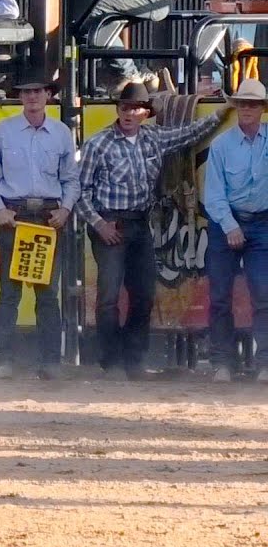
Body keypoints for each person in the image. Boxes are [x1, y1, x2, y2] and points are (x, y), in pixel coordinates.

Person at [75, 81, 231, 380]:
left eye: (135, 108)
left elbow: (190, 133)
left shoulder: (154, 139)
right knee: (108, 296)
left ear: (145, 112)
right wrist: (98, 223)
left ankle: (132, 360)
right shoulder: (98, 143)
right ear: (118, 110)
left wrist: (221, 112)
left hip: (140, 223)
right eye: (124, 108)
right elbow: (80, 191)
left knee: (143, 293)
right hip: (110, 222)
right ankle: (112, 362)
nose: (129, 113)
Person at [0, 74, 79, 380]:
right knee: (9, 292)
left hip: (49, 217)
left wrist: (64, 209)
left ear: (48, 95)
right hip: (15, 215)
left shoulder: (62, 134)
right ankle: (3, 359)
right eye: (27, 91)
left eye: (37, 91)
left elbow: (71, 180)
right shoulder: (3, 131)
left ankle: (50, 361)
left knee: (47, 293)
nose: (32, 96)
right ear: (20, 97)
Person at [203, 78, 268, 384]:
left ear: (261, 109)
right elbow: (213, 194)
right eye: (242, 103)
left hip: (262, 222)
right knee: (219, 296)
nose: (246, 109)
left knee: (264, 294)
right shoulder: (221, 145)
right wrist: (230, 226)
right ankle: (222, 362)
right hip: (225, 222)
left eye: (252, 103)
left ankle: (264, 362)